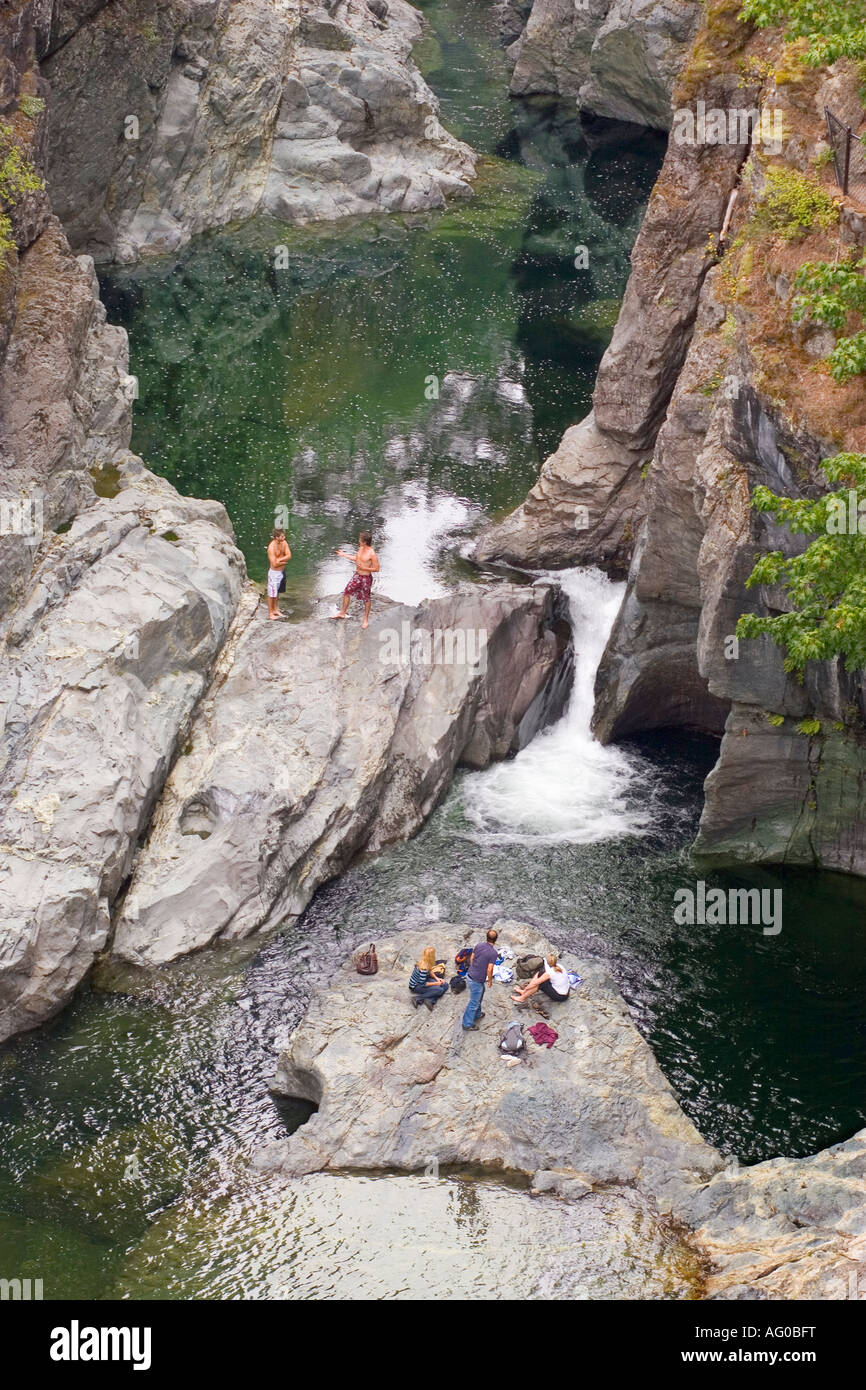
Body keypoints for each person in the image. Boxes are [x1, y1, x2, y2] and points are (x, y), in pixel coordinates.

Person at [330, 530, 379, 629]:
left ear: (364, 542)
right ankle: (342, 613)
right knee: (347, 591)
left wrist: (364, 568)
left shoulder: (372, 553)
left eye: (360, 539)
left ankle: (366, 619)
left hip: (366, 578)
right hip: (357, 575)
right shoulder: (361, 548)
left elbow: (377, 568)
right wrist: (344, 555)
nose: (358, 541)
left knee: (366, 598)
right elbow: (356, 559)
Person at [462, 927, 498, 1031]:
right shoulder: (493, 953)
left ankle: (477, 1014)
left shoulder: (479, 945)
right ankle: (467, 1024)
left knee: (480, 993)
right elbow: (490, 969)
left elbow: (472, 958)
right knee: (474, 1002)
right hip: (476, 980)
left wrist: (473, 967)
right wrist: (490, 980)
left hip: (470, 975)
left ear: (486, 937)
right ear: (496, 940)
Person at [409, 946, 448, 1011]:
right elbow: (423, 984)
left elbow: (430, 971)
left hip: (424, 980)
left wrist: (437, 978)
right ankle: (417, 998)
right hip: (416, 986)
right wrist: (436, 983)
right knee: (440, 990)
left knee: (445, 985)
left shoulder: (426, 962)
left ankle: (430, 999)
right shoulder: (423, 968)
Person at [266, 528, 291, 621]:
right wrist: (284, 562)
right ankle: (270, 613)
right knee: (271, 593)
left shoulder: (284, 543)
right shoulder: (271, 547)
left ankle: (275, 609)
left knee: (277, 591)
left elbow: (289, 555)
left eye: (284, 536)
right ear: (276, 537)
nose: (284, 537)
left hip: (282, 572)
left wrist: (280, 560)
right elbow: (274, 564)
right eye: (282, 536)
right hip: (274, 573)